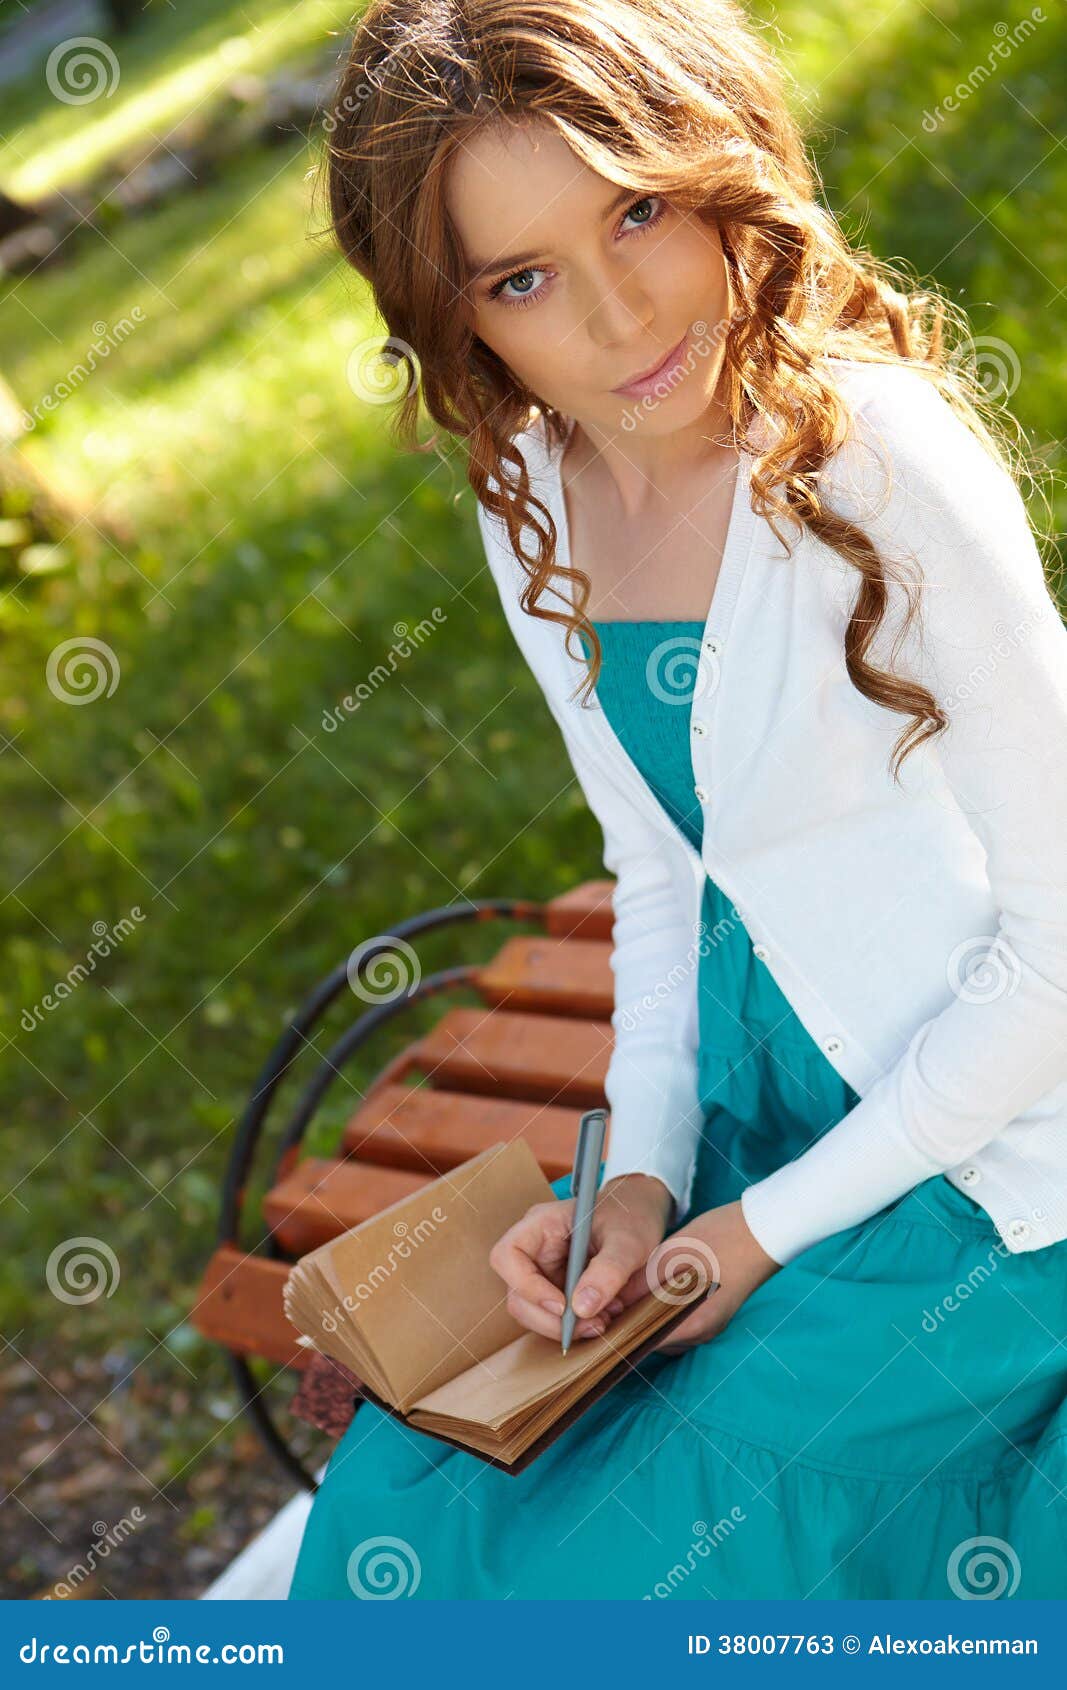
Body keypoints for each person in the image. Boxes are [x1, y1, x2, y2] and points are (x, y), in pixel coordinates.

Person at [289, 0, 1067, 1599]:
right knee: (411, 1512)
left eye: (636, 209)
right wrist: (640, 1182)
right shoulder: (534, 491)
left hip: (995, 1154)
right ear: (460, 324)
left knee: (639, 1564)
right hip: (754, 1108)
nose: (618, 312)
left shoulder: (880, 464)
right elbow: (659, 870)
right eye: (521, 279)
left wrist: (754, 1234)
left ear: (721, 166)